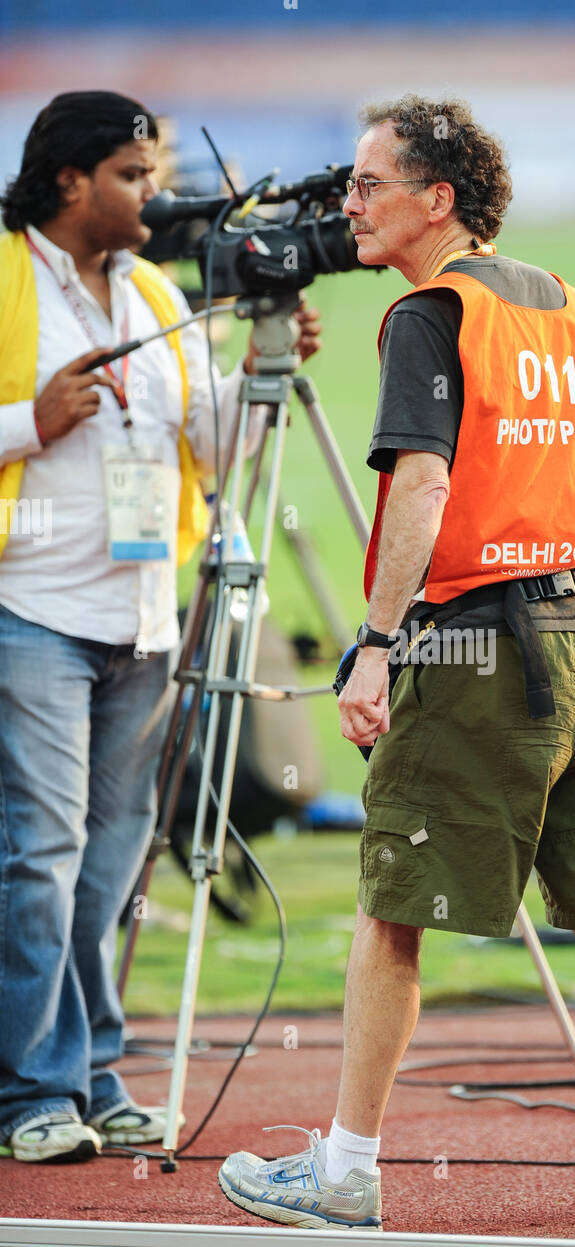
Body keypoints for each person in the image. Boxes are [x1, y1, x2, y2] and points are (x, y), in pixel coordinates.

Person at [219, 94, 575, 1239]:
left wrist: (374, 646)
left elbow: (422, 487)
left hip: (473, 653)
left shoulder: (430, 315)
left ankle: (346, 1171)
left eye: (368, 184)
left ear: (438, 199)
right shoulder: (572, 307)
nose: (348, 204)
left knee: (389, 911)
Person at [0, 90, 320, 1164]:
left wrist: (264, 369)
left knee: (110, 866)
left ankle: (91, 1074)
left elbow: (207, 444)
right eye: (135, 175)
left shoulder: (151, 290)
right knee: (42, 856)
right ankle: (30, 1093)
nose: (156, 193)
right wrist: (29, 422)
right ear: (70, 181)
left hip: (142, 614)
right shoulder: (4, 279)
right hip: (30, 607)